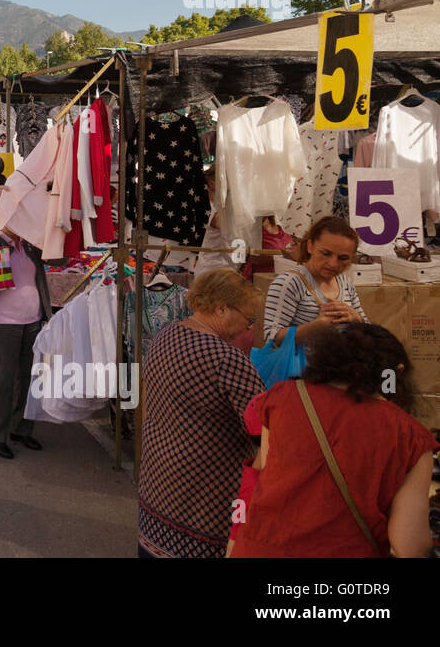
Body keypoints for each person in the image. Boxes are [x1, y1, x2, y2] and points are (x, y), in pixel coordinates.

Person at [230, 323, 439, 558]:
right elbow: (408, 545)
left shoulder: (282, 398)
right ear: (397, 372)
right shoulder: (413, 437)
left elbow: (262, 477)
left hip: (257, 549)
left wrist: (234, 537)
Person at [137, 269, 265, 558]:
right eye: (248, 318)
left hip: (158, 491)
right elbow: (263, 428)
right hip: (203, 505)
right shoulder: (226, 358)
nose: (249, 327)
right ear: (221, 307)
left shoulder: (166, 335)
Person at [0, 190, 52, 457]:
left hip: (32, 320)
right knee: (3, 380)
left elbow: (59, 258)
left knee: (30, 378)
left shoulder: (31, 246)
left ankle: (22, 429)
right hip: (3, 321)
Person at [261, 216, 366, 349]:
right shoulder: (289, 283)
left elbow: (368, 331)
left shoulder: (344, 282)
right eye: (326, 253)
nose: (333, 264)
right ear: (310, 246)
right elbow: (272, 339)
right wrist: (318, 326)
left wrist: (356, 319)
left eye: (343, 258)